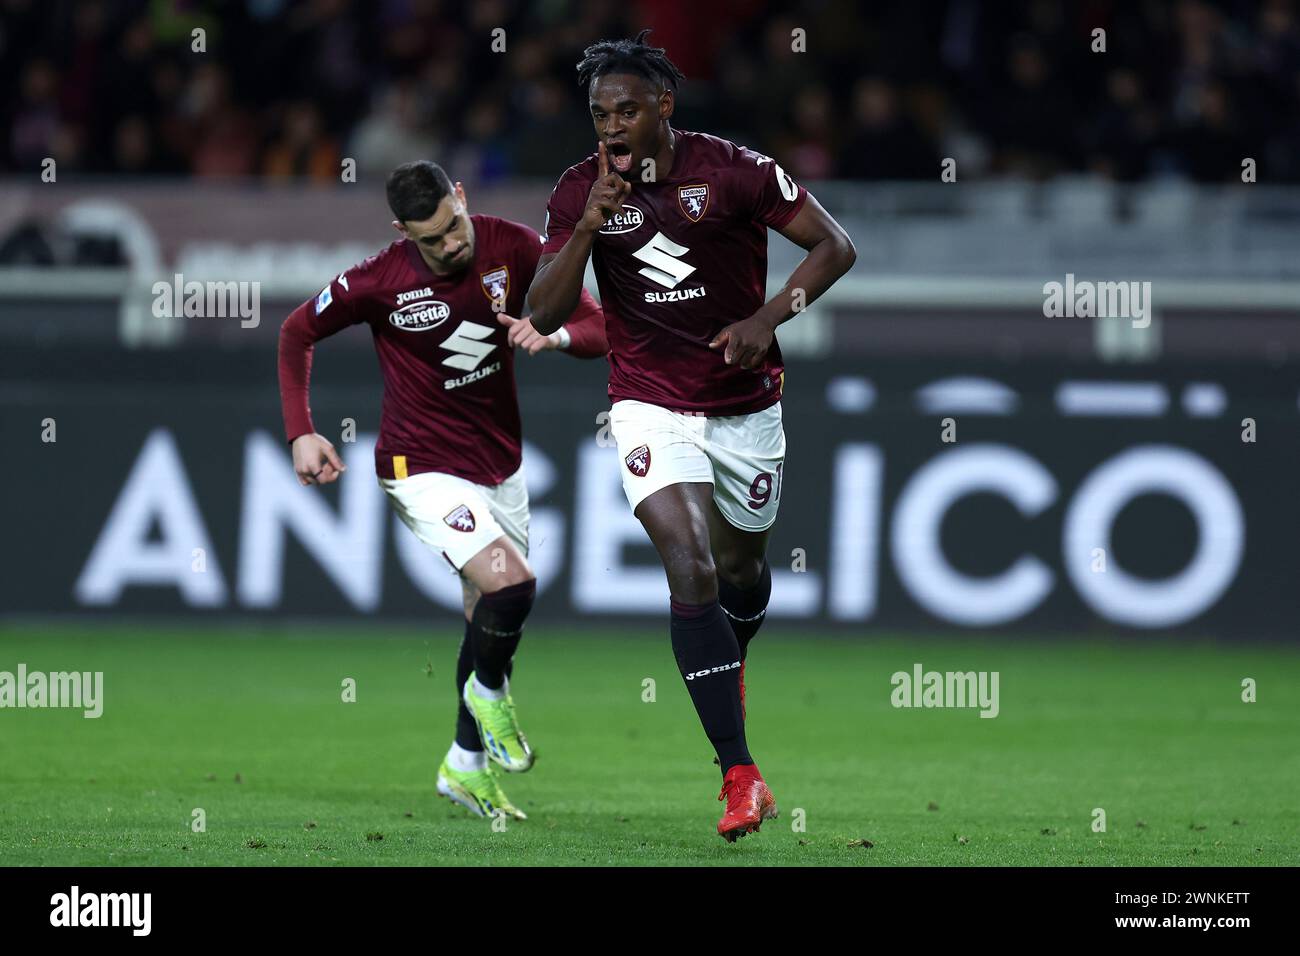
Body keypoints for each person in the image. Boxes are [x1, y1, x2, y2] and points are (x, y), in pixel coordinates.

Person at [526, 31, 856, 841]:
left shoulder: (735, 170)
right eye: (601, 113)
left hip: (746, 405)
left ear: (664, 107)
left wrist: (768, 316)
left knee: (741, 568)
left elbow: (835, 247)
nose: (612, 126)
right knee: (689, 560)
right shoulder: (580, 190)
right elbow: (539, 313)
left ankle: (730, 661)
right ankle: (739, 775)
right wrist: (585, 232)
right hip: (647, 403)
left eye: (628, 110)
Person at [278, 160, 607, 820]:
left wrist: (557, 334)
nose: (452, 244)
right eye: (433, 239)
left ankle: (464, 766)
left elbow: (600, 325)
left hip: (500, 466)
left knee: (486, 619)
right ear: (403, 231)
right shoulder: (377, 281)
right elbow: (296, 331)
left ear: (461, 197)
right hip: (417, 465)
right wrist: (300, 432)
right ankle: (490, 695)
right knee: (511, 587)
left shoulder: (513, 246)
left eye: (454, 226)